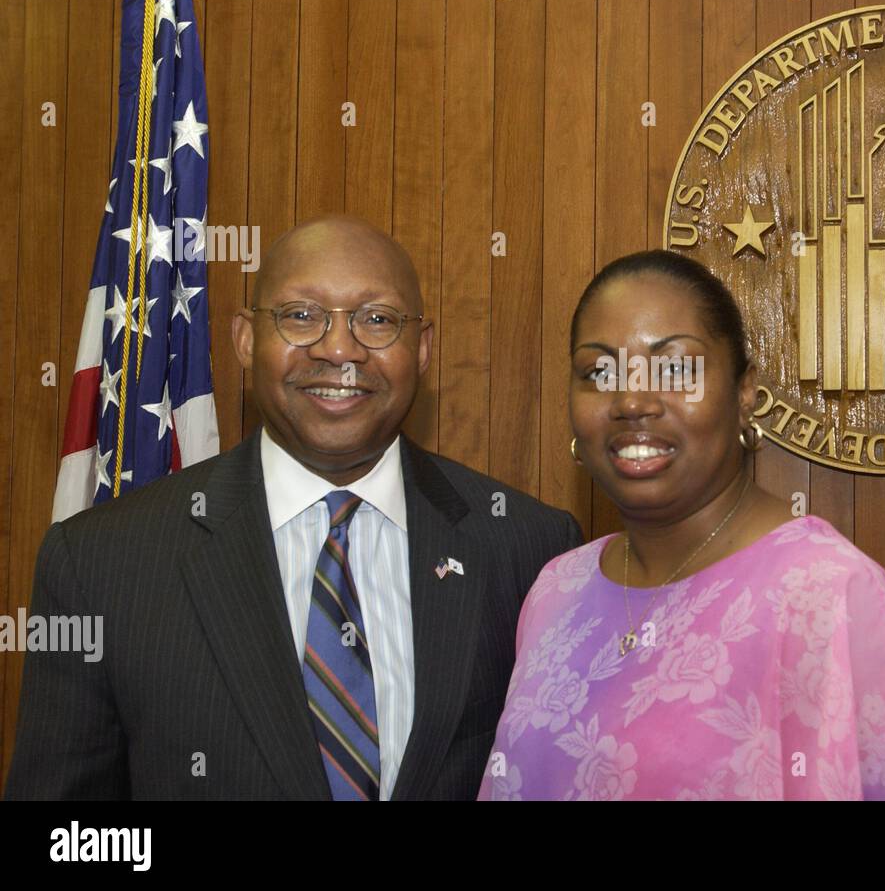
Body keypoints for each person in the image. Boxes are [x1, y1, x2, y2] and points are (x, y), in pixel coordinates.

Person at [4, 215, 583, 800]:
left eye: (377, 320)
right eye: (301, 316)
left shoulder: (531, 549)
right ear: (245, 340)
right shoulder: (100, 562)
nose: (338, 349)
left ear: (423, 348)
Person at [477, 249, 885, 800]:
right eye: (599, 371)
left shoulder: (827, 594)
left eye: (676, 368)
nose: (631, 399)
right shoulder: (557, 589)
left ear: (745, 390)